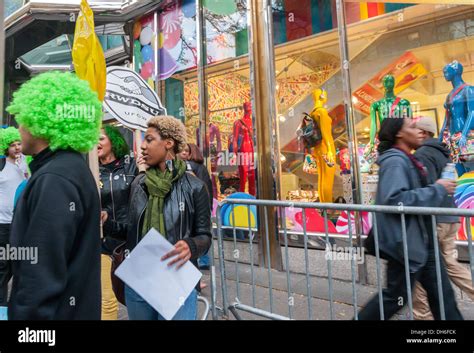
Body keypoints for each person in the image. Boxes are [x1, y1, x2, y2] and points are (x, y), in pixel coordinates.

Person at [6, 71, 102, 319]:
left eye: (23, 120)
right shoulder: (71, 169)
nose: (20, 128)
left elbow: (40, 273)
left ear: (42, 123)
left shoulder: (54, 179)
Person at [357, 117, 463, 320]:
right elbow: (395, 200)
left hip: (422, 240)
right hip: (407, 243)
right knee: (395, 297)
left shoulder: (407, 158)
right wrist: (437, 189)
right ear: (399, 134)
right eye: (413, 127)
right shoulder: (395, 161)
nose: (420, 131)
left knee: (443, 297)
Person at [125, 116, 211, 320]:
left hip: (177, 279)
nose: (142, 147)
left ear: (169, 143)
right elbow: (129, 229)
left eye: (149, 139)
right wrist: (106, 223)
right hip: (139, 279)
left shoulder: (196, 187)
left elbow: (205, 236)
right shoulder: (139, 183)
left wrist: (191, 245)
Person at [412, 117, 474, 319]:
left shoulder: (422, 154)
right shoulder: (444, 153)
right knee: (450, 263)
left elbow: (428, 188)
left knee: (421, 265)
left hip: (434, 219)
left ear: (423, 133)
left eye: (415, 130)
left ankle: (423, 315)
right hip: (451, 216)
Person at [98, 125, 138, 320]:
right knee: (108, 298)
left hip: (132, 239)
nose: (96, 143)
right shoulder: (91, 170)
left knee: (137, 297)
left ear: (112, 142)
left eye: (101, 139)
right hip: (104, 241)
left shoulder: (131, 166)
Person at [0, 127, 28, 313]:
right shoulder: (1, 165)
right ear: (5, 147)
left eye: (18, 143)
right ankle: (1, 309)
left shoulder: (25, 162)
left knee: (19, 264)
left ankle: (14, 307)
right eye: (12, 145)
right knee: (3, 268)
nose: (17, 147)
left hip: (20, 222)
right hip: (2, 224)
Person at [179, 143, 213, 272]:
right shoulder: (201, 167)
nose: (183, 153)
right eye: (182, 150)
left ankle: (202, 262)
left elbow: (201, 187)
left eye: (186, 150)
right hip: (201, 206)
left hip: (193, 208)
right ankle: (203, 261)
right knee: (200, 233)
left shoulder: (190, 167)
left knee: (196, 234)